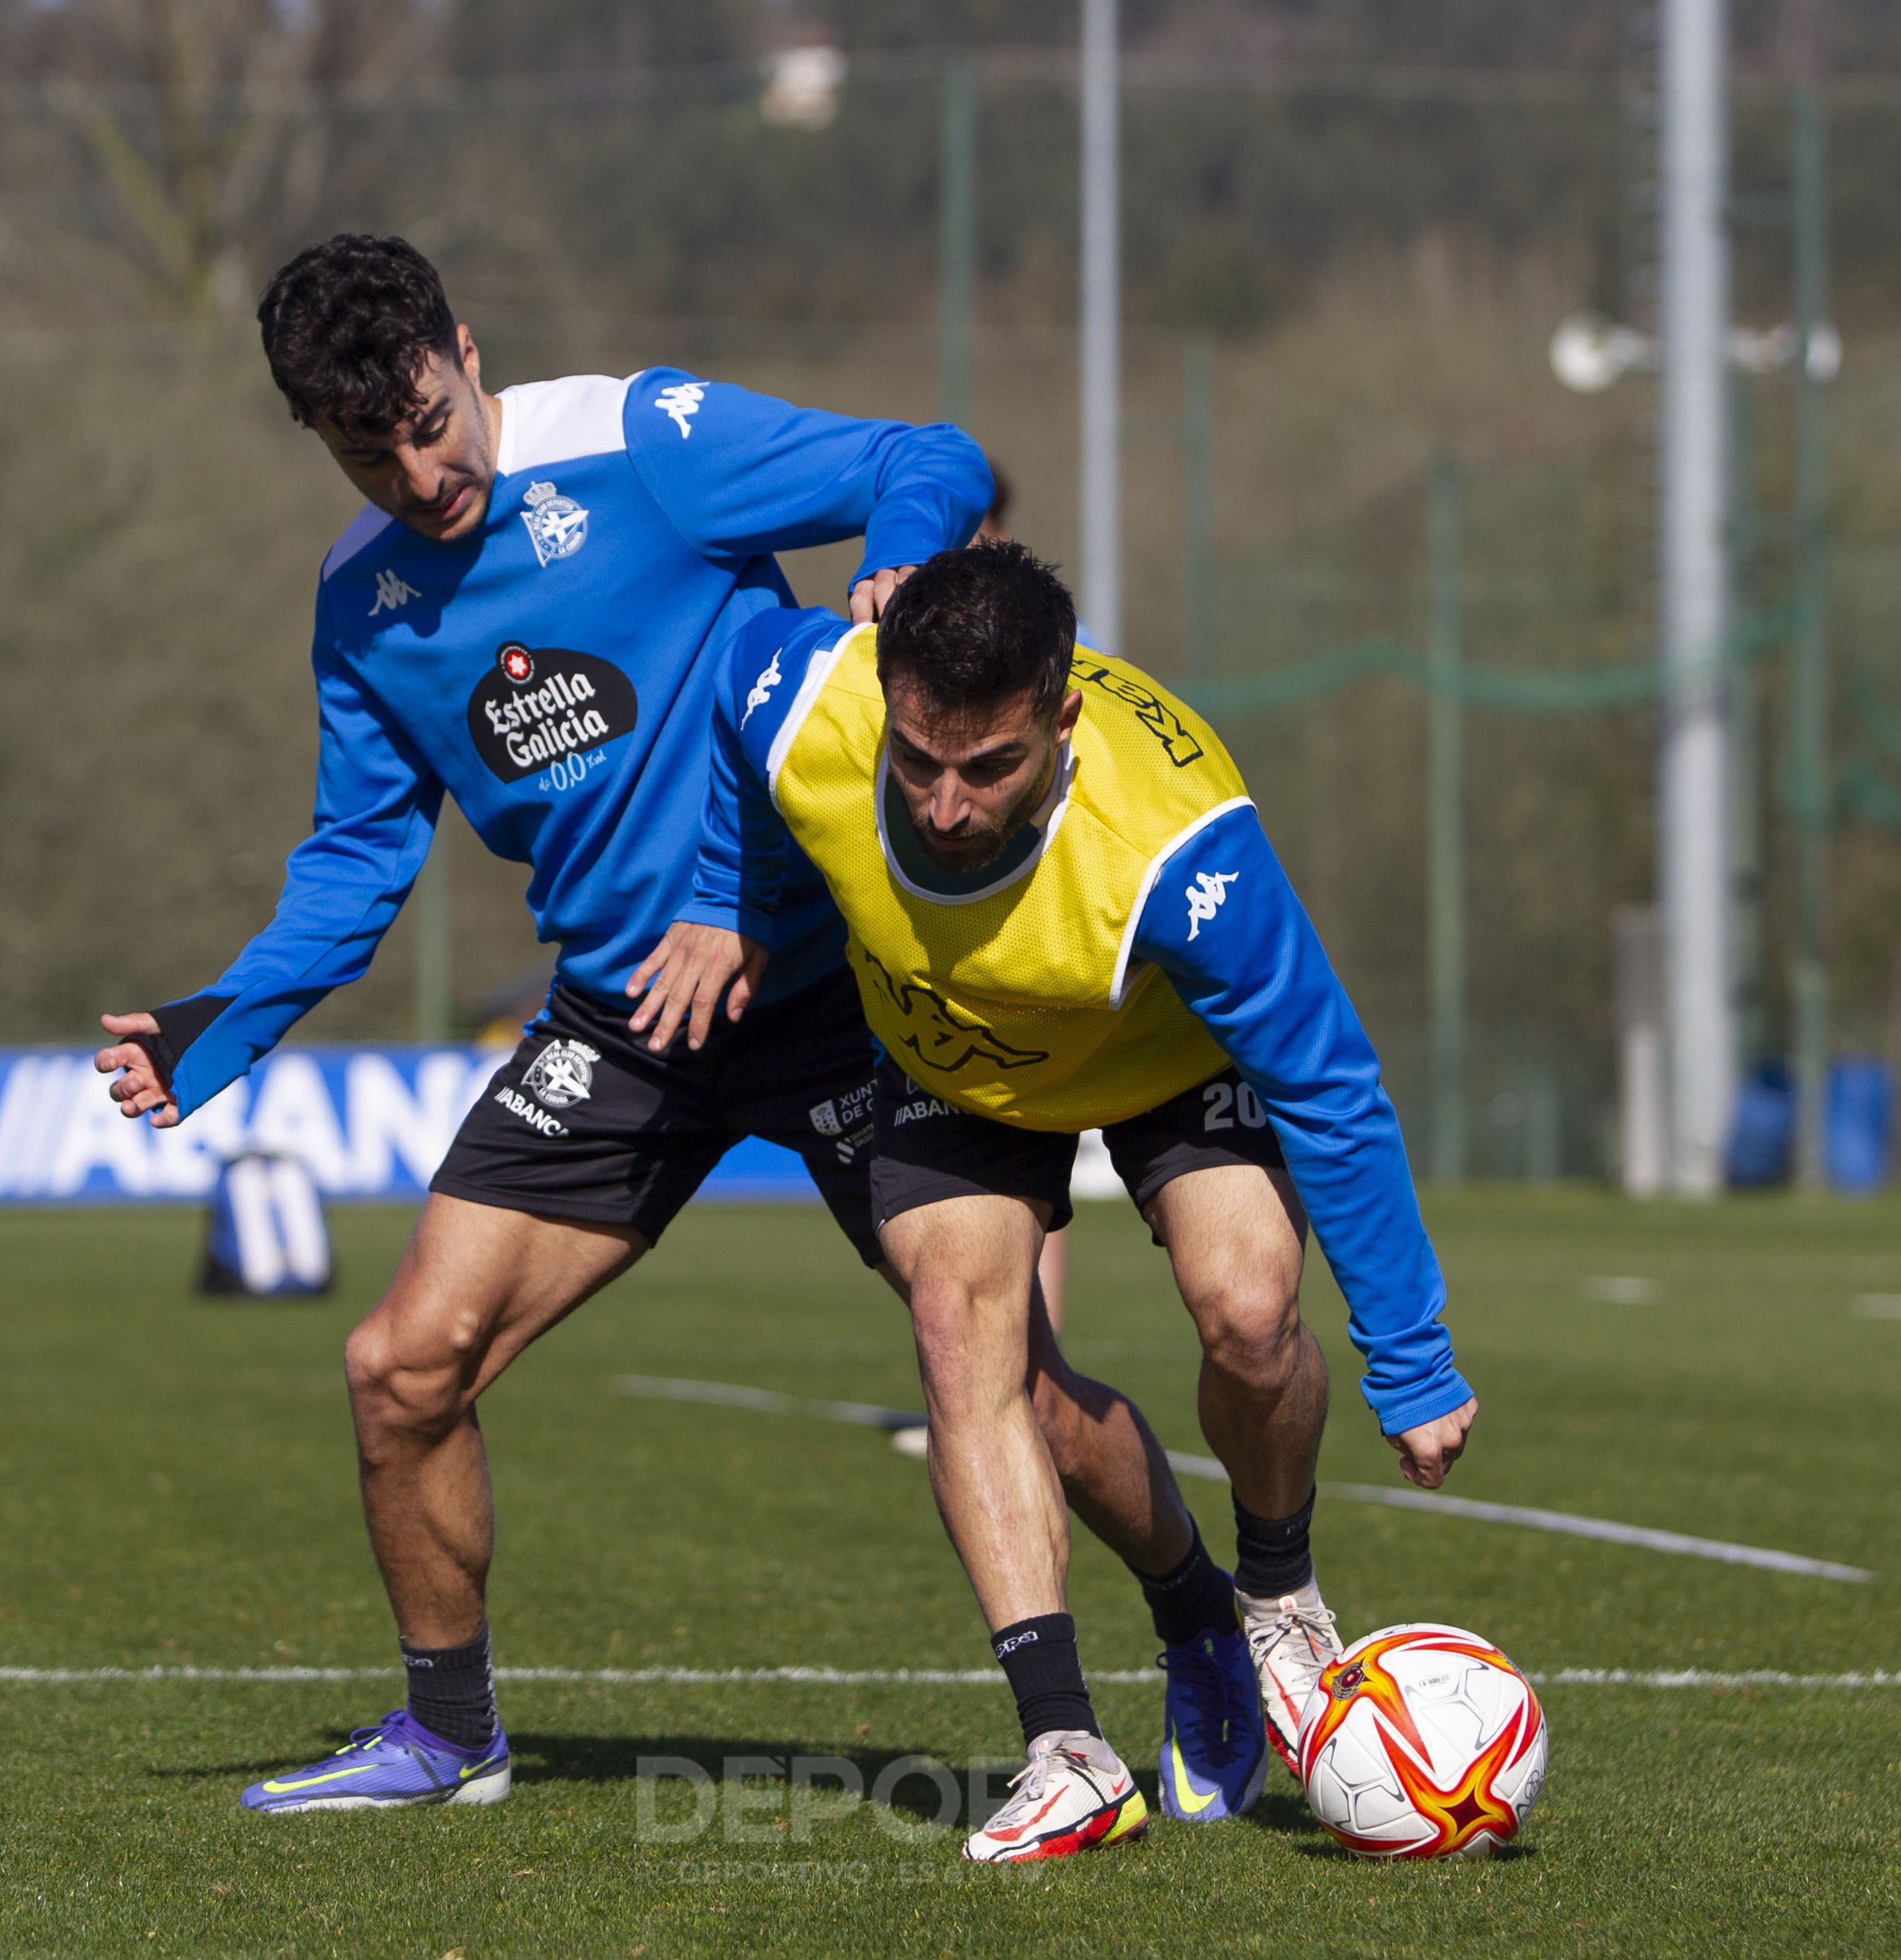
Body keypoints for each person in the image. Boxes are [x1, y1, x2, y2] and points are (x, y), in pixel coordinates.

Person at [91, 235, 1257, 1814]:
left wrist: (901, 559)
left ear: (465, 345)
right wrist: (209, 1026)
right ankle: (450, 1735)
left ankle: (1194, 1613)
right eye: (371, 452)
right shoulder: (362, 608)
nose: (421, 469)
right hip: (629, 1019)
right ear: (319, 439)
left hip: (845, 991)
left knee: (1015, 1385)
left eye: (430, 417)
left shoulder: (638, 444)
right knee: (399, 1366)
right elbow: (360, 860)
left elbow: (934, 458)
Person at [645, 541, 1477, 1862]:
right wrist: (719, 898)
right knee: (971, 1343)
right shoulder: (805, 694)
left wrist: (1412, 1358)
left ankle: (1272, 1595)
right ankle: (1072, 1744)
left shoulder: (1181, 854)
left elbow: (1330, 1084)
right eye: (917, 761)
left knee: (1248, 1312)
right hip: (950, 1062)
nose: (945, 804)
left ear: (1063, 716)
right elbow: (737, 688)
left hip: (1163, 1051)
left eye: (988, 768)